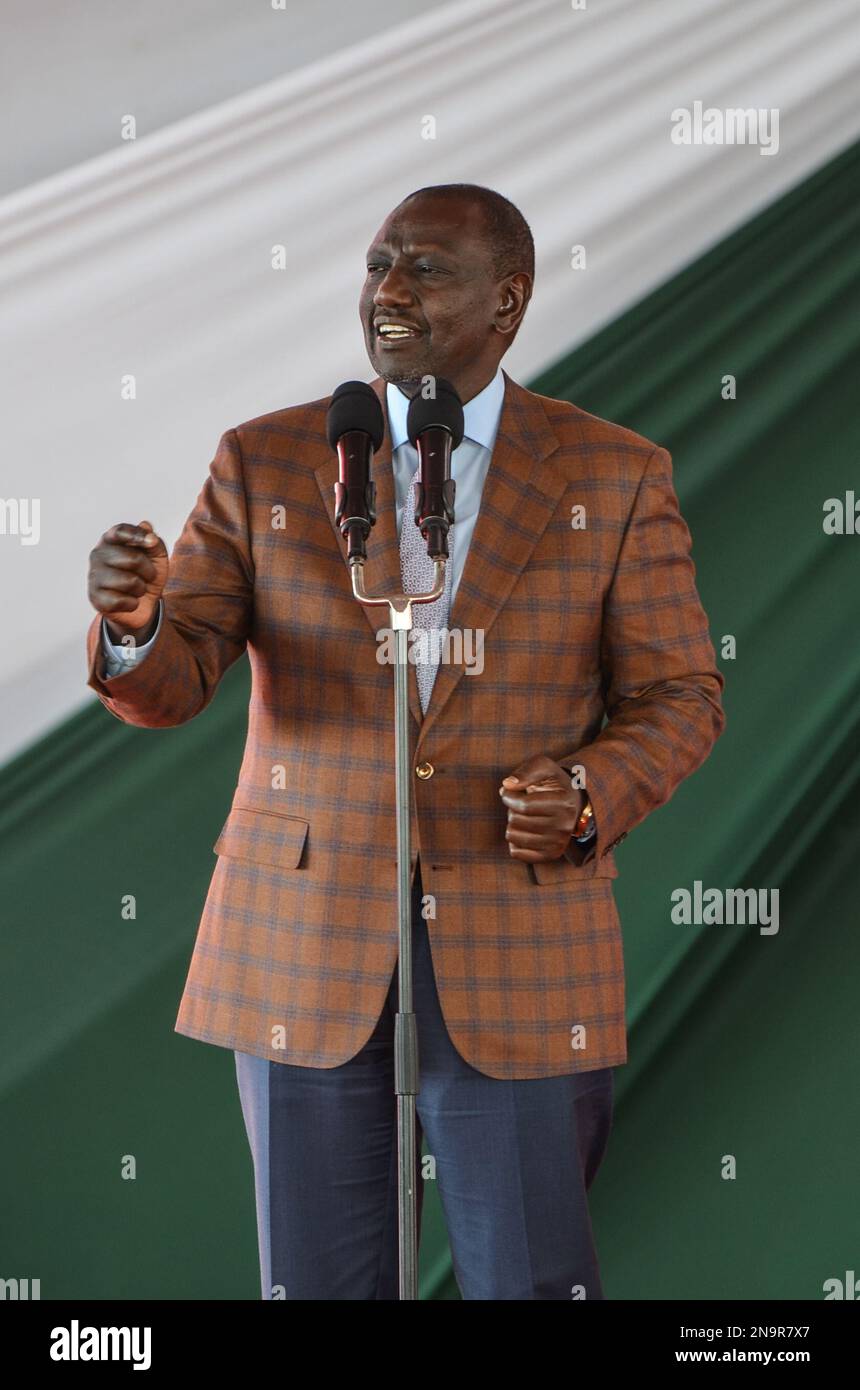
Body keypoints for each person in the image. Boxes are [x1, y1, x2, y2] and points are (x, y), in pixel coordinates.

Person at [85, 183, 725, 1300]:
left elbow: (680, 694)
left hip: (519, 948)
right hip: (301, 938)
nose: (386, 289)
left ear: (506, 300)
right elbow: (178, 674)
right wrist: (135, 631)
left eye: (424, 268)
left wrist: (585, 791)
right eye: (378, 263)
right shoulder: (269, 461)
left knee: (526, 1282)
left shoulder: (613, 475)